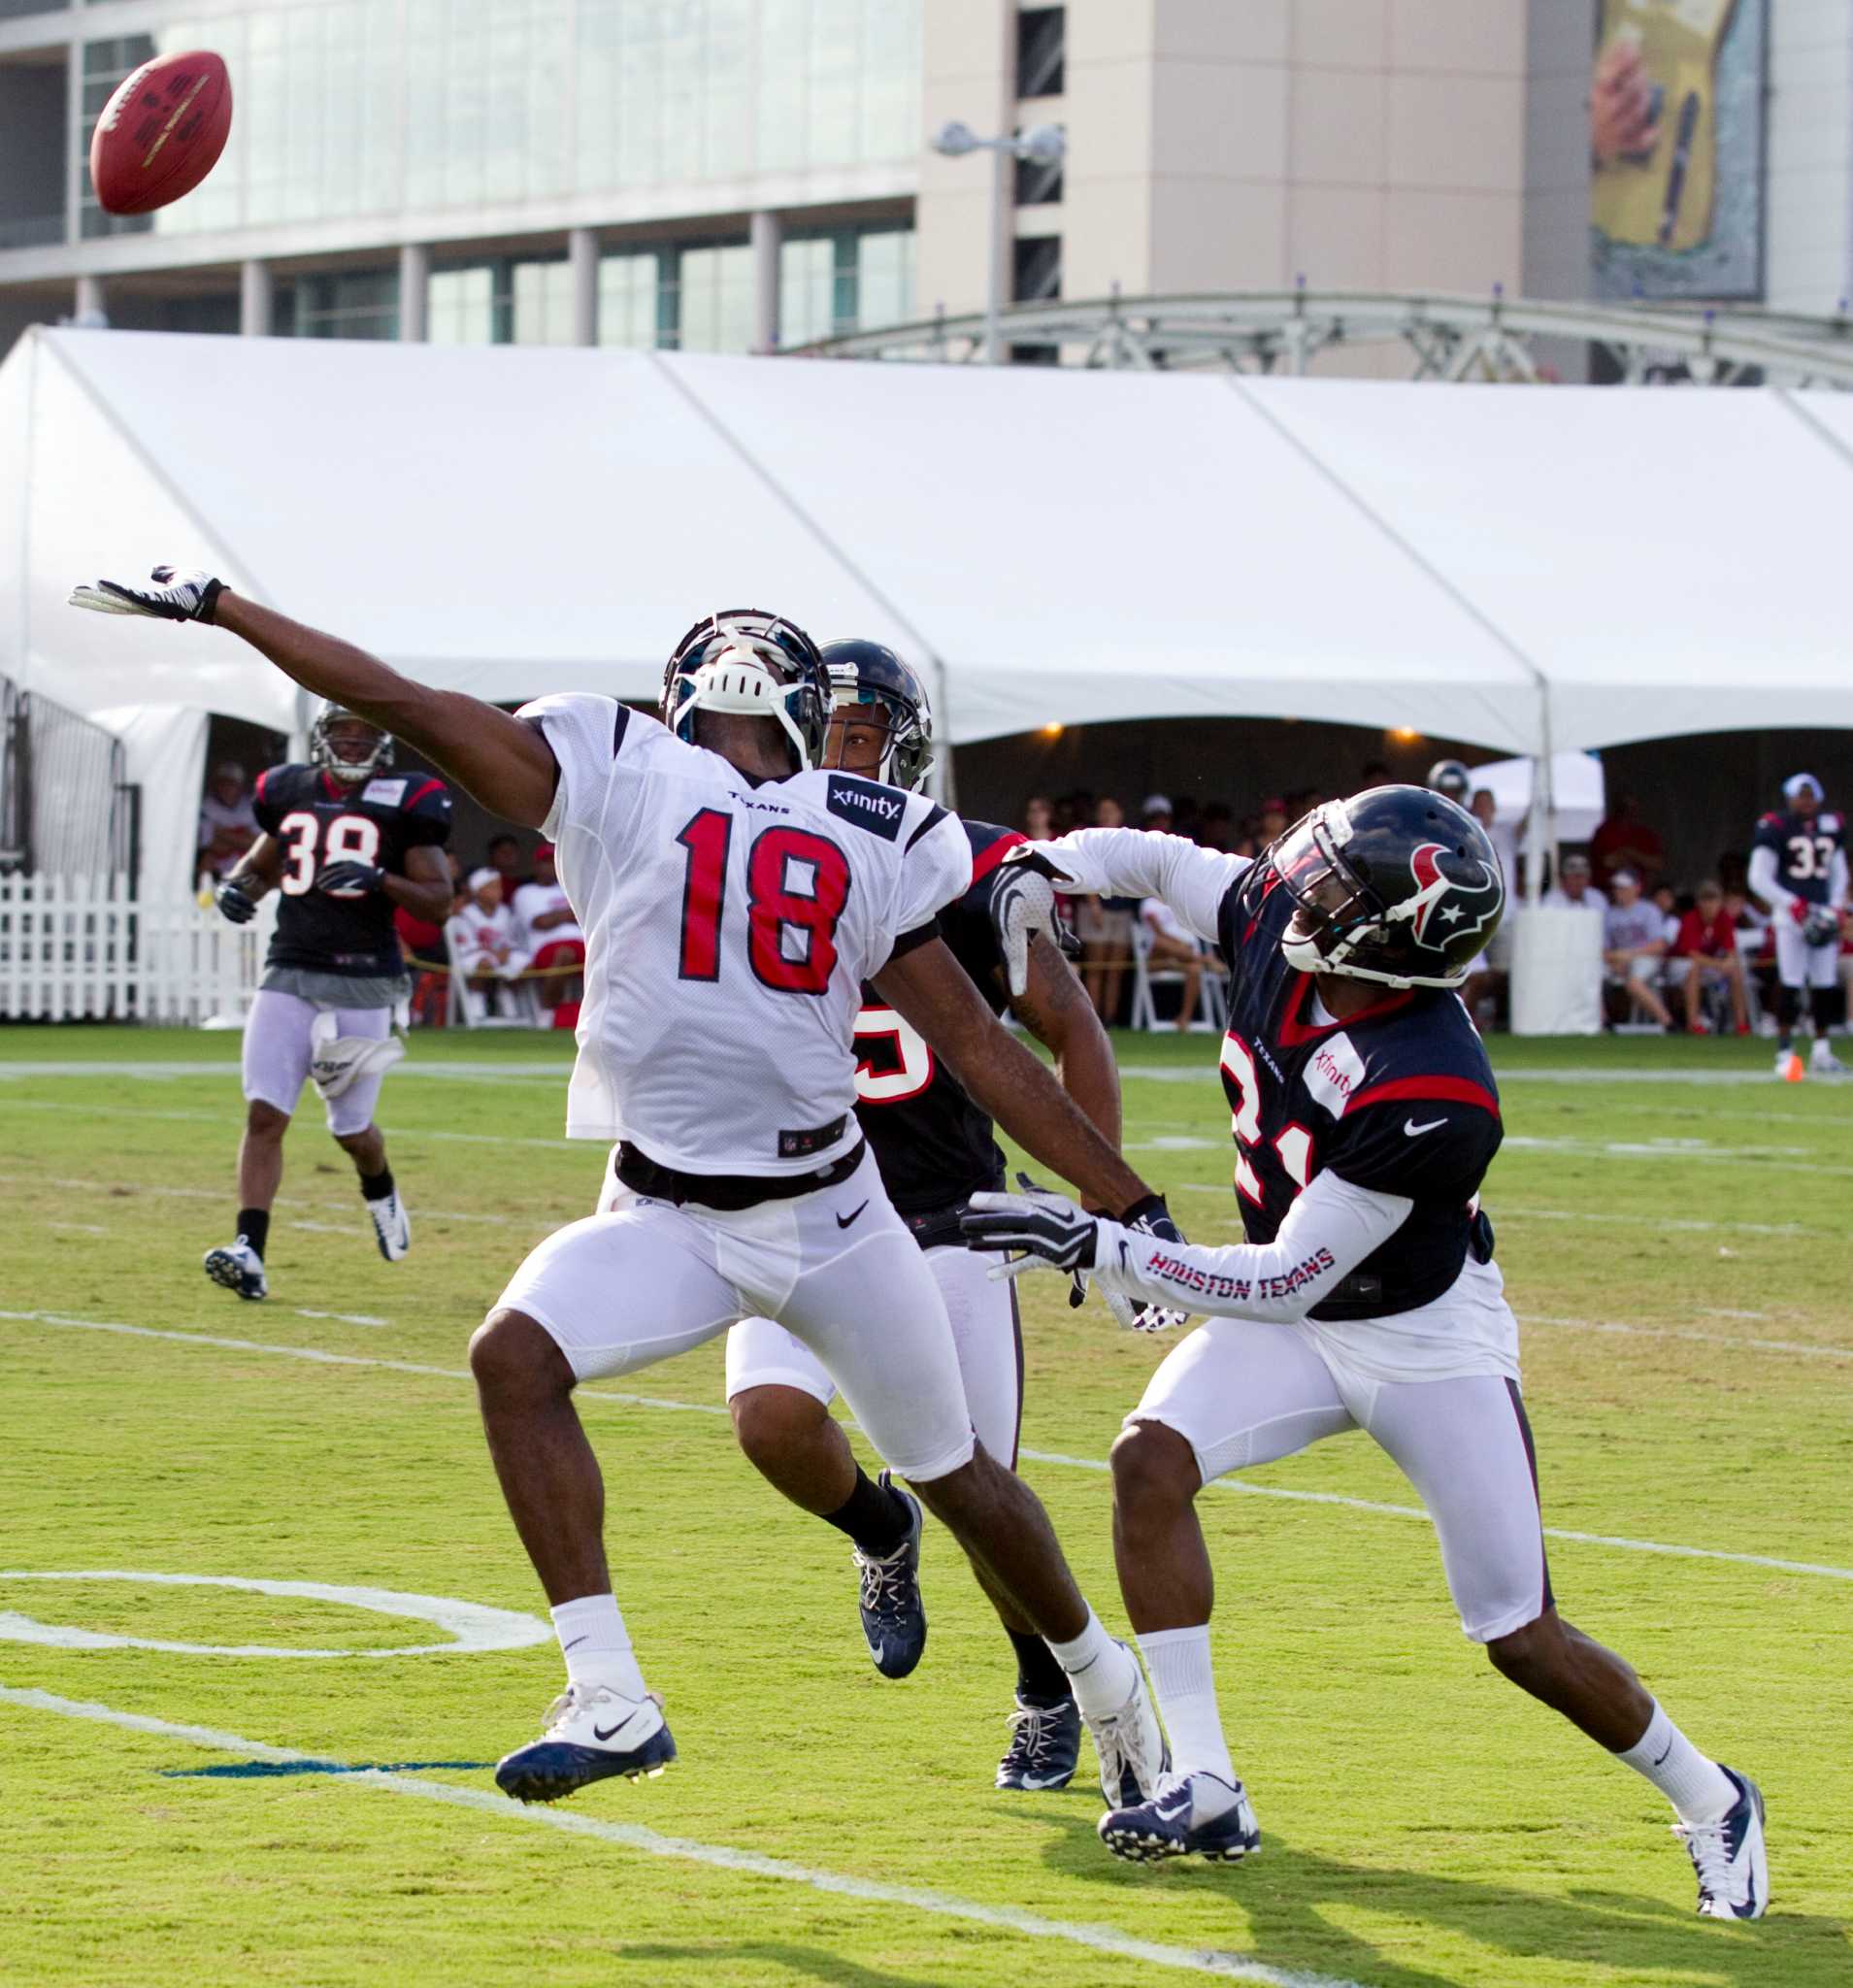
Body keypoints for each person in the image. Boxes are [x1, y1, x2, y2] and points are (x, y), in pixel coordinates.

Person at [72, 566, 1175, 1819]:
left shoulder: (626, 767)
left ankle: (1105, 1689)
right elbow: (984, 1045)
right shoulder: (835, 815)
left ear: (676, 694)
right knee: (518, 1360)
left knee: (962, 1478)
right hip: (677, 1209)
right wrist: (1127, 1203)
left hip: (826, 1221)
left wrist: (229, 610)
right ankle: (610, 1695)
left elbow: (400, 696)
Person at [968, 786, 1768, 1920]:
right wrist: (1035, 870)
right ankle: (1206, 1784)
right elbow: (1139, 856)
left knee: (1518, 1630)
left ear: (1386, 940)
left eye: (1337, 883)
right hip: (1296, 1319)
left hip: (1419, 1333)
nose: (1299, 878)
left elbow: (1293, 1274)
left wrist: (1108, 1248)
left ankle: (1713, 1795)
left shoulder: (1434, 1083)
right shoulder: (1270, 911)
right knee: (1148, 1461)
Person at [723, 641, 1175, 1796]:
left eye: (857, 734)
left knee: (983, 1496)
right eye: (815, 726)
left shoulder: (959, 862)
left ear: (903, 747)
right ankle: (877, 1530)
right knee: (773, 1422)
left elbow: (1071, 1031)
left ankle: (1044, 1683)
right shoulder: (728, 840)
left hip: (946, 1214)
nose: (831, 751)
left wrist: (1102, 1203)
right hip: (798, 1208)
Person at [176, 705, 451, 1297]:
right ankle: (249, 1250)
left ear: (383, 741)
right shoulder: (289, 789)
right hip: (290, 968)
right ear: (322, 739)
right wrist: (239, 889)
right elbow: (266, 860)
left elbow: (437, 900)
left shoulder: (409, 798)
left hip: (364, 979)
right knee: (264, 1113)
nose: (352, 744)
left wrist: (379, 879)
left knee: (350, 1130)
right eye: (342, 733)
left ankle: (380, 1190)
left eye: (364, 733)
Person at [1748, 774, 1848, 1079]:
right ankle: (1785, 1051)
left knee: (1825, 984)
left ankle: (1822, 1049)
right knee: (1790, 981)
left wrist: (1833, 906)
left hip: (1821, 912)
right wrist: (1791, 903)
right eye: (1800, 795)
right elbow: (1758, 877)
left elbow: (1839, 872)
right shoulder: (1775, 827)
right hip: (1791, 916)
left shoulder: (1830, 827)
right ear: (1789, 797)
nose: (1806, 801)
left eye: (1810, 795)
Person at [1074, 797, 1136, 1025]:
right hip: (1097, 909)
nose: (1107, 815)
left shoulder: (1128, 841)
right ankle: (1093, 1018)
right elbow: (1085, 871)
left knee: (1116, 971)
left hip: (1121, 909)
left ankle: (1109, 1019)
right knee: (1096, 968)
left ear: (1120, 814)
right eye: (1103, 811)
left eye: (1112, 811)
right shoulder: (1091, 839)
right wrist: (1093, 904)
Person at [447, 867, 533, 1018]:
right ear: (478, 891)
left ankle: (506, 991)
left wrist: (505, 951)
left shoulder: (505, 912)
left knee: (526, 964)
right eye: (492, 887)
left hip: (503, 954)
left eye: (499, 887)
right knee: (485, 963)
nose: (498, 891)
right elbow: (466, 943)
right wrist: (492, 952)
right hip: (474, 955)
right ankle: (477, 1001)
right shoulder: (466, 913)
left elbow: (512, 939)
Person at [1667, 882, 1751, 1036]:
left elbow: (1731, 949)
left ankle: (1741, 1024)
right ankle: (1693, 1023)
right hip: (1681, 964)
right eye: (1706, 900)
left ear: (1720, 902)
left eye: (1713, 900)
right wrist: (1720, 964)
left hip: (1710, 964)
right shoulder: (1690, 919)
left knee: (1735, 972)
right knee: (1694, 970)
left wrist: (1729, 962)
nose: (1710, 905)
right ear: (1699, 902)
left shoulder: (1724, 919)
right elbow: (1692, 955)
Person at [1602, 870, 1671, 1029]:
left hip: (1645, 958)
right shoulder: (1609, 914)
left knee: (1634, 982)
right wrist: (1614, 959)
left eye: (1624, 888)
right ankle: (1604, 1022)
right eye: (1617, 888)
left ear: (1637, 888)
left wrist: (1629, 955)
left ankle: (1667, 1022)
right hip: (1617, 960)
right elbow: (1603, 950)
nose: (1619, 892)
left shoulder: (1649, 910)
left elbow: (1659, 945)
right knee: (1590, 975)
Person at [1137, 892, 1211, 1032]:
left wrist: (1182, 947)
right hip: (1156, 958)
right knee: (1160, 943)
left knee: (1195, 969)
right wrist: (1181, 945)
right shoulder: (1148, 904)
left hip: (1179, 958)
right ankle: (1204, 960)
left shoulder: (1176, 903)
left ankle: (1185, 1017)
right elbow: (1158, 933)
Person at [195, 760, 260, 880]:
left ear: (241, 787)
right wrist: (241, 834)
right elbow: (211, 845)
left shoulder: (251, 806)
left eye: (232, 784)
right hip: (217, 869)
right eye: (222, 784)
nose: (226, 789)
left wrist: (219, 832)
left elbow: (257, 844)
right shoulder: (207, 806)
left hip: (245, 868)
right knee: (206, 858)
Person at [1588, 795, 1664, 896]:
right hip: (1607, 892)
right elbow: (1608, 862)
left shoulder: (1646, 834)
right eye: (1625, 807)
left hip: (1638, 894)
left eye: (1633, 808)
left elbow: (1658, 864)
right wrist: (1630, 856)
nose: (1629, 812)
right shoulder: (1604, 831)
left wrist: (1631, 854)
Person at [1541, 851, 1606, 912]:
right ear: (1563, 879)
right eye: (1573, 877)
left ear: (1588, 880)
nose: (1578, 881)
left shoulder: (1597, 898)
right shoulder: (1551, 900)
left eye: (1582, 876)